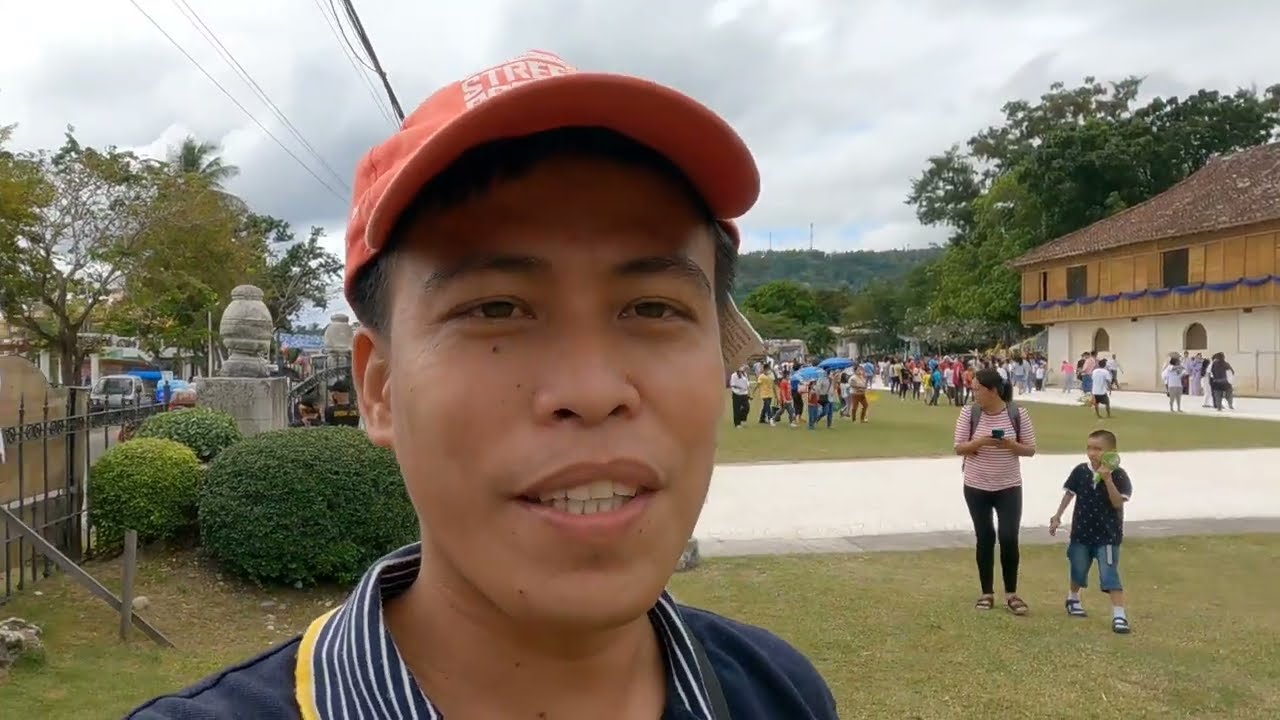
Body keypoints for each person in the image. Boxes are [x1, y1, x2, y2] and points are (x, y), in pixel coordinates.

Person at [129, 50, 837, 719]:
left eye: (653, 308)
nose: (591, 391)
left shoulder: (780, 693)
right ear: (379, 389)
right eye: (496, 309)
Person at [953, 367, 1038, 615]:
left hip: (1009, 486)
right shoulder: (969, 413)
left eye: (977, 389)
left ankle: (1011, 594)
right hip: (976, 485)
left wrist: (1010, 445)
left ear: (992, 391)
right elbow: (959, 447)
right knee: (985, 537)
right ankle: (986, 593)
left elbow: (1030, 450)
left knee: (1009, 537)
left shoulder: (1018, 413)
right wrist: (980, 442)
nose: (973, 393)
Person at [1049, 430, 1133, 634]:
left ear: (1111, 451)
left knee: (1109, 572)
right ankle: (1073, 598)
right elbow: (1070, 493)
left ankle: (1119, 614)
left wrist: (1108, 479)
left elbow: (1117, 502)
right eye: (1089, 448)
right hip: (1082, 532)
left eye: (1098, 449)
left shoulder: (1119, 475)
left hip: (1107, 536)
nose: (1092, 453)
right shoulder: (1080, 471)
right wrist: (1057, 515)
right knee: (1078, 568)